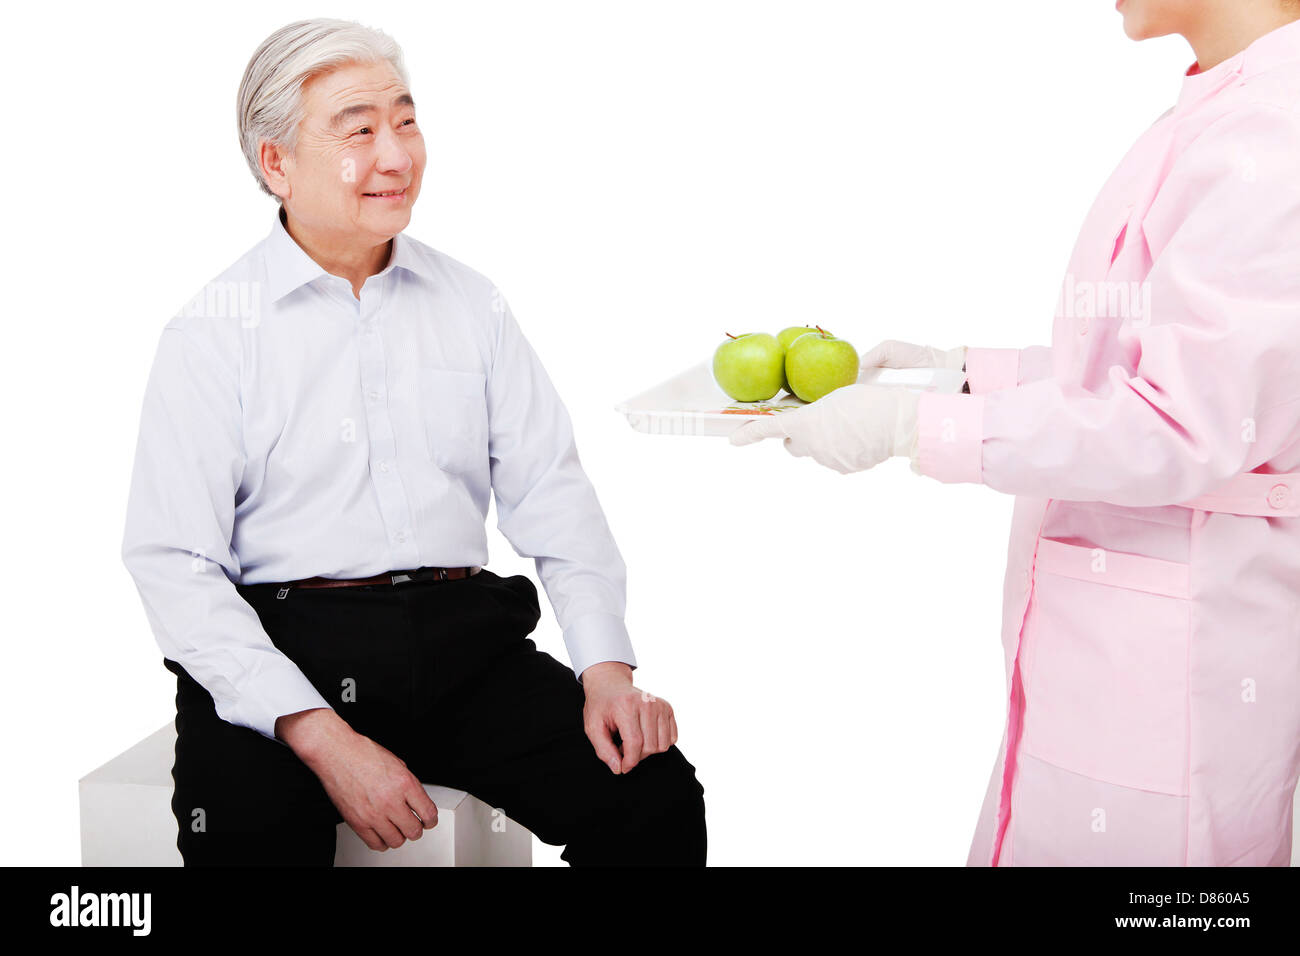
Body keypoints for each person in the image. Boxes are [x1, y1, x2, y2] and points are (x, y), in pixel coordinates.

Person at [120, 17, 705, 867]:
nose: (396, 155)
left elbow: (551, 493)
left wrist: (605, 667)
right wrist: (321, 735)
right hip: (284, 645)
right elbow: (172, 561)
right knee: (247, 849)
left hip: (462, 642)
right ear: (275, 162)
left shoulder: (471, 304)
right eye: (358, 130)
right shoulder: (212, 333)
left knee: (652, 797)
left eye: (405, 120)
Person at [733, 0, 1300, 866]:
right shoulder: (1220, 107)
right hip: (1117, 657)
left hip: (1179, 668)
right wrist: (959, 373)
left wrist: (916, 427)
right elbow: (1141, 368)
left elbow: (1181, 423)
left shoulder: (1273, 126)